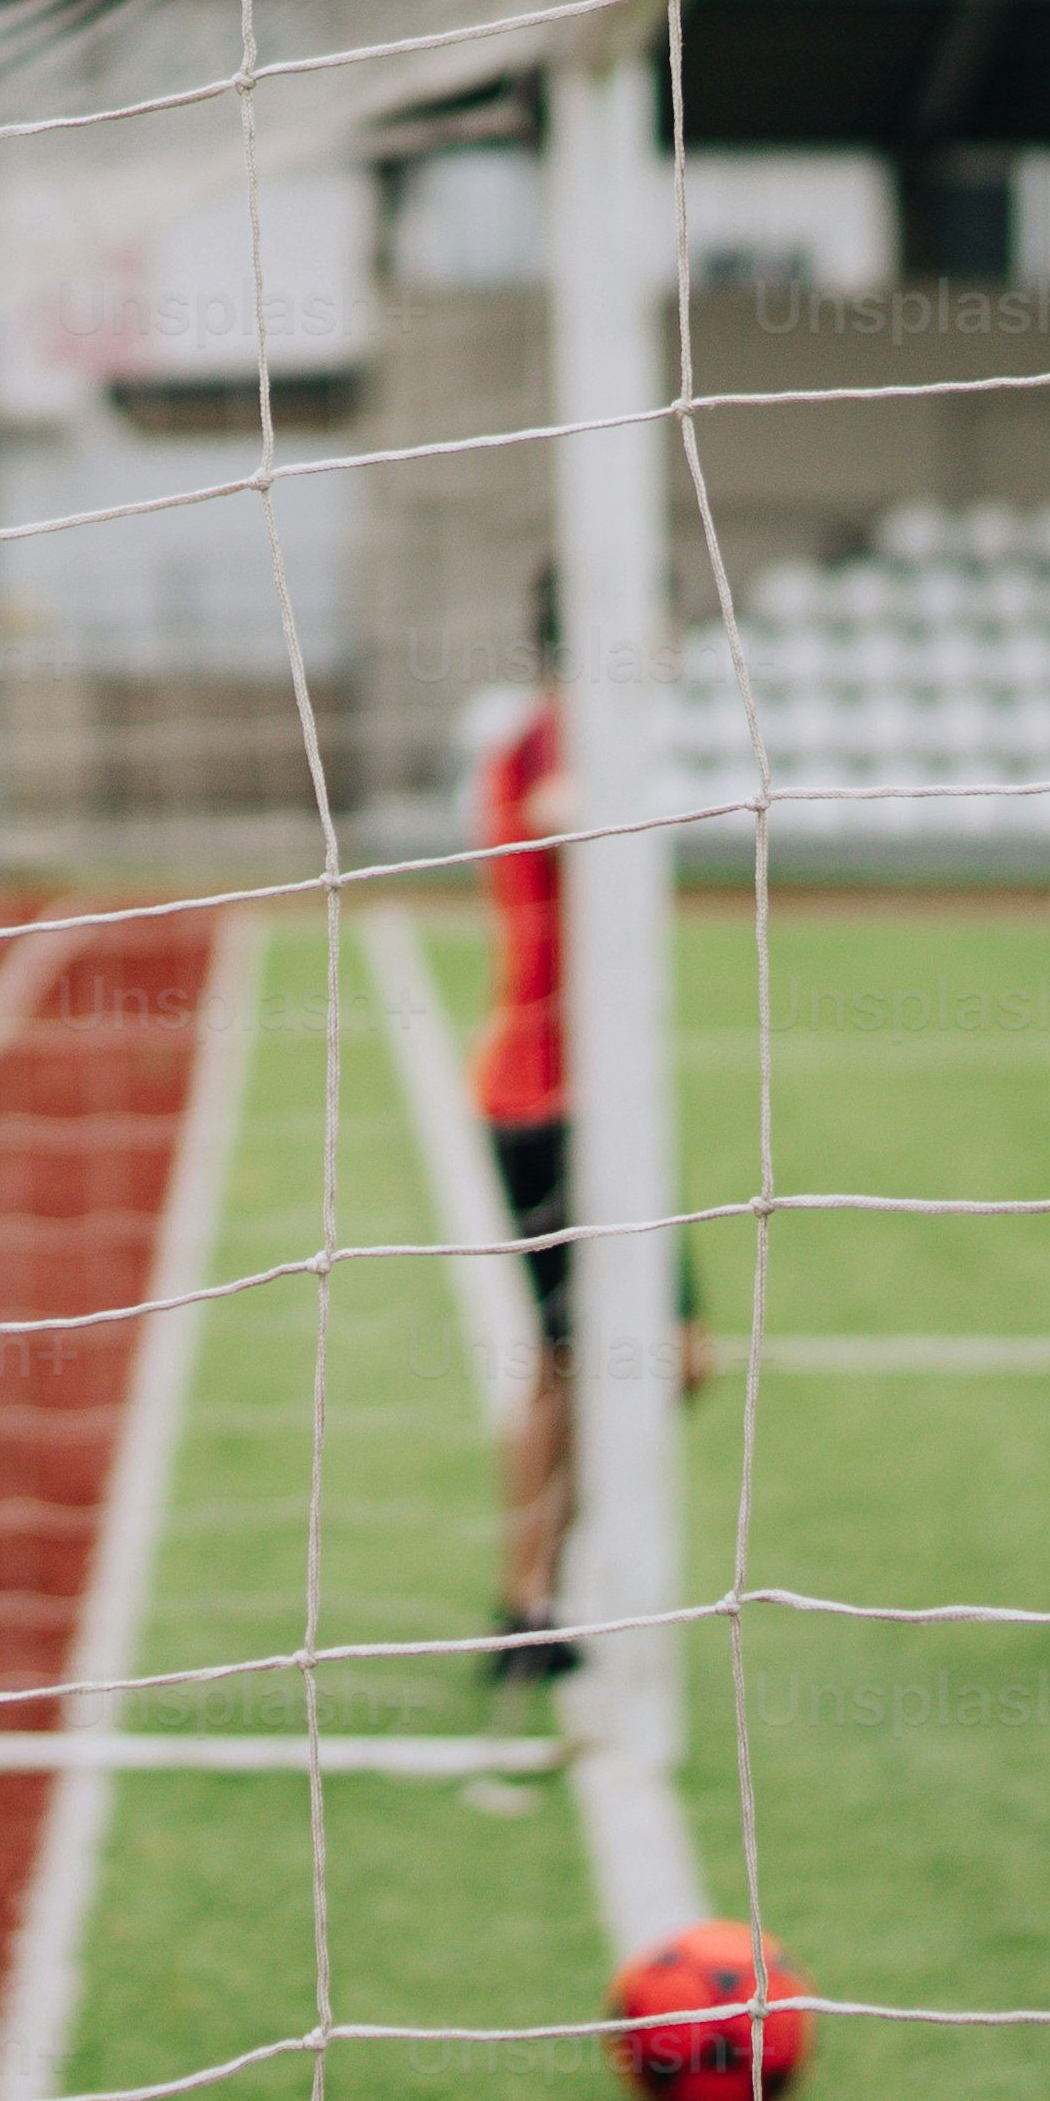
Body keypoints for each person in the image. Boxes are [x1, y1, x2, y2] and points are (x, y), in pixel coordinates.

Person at [461, 576, 701, 1689]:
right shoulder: (539, 743)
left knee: (660, 1359)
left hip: (604, 1102)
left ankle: (540, 1585)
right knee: (578, 1359)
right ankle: (528, 1597)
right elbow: (559, 812)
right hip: (546, 1100)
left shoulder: (576, 740)